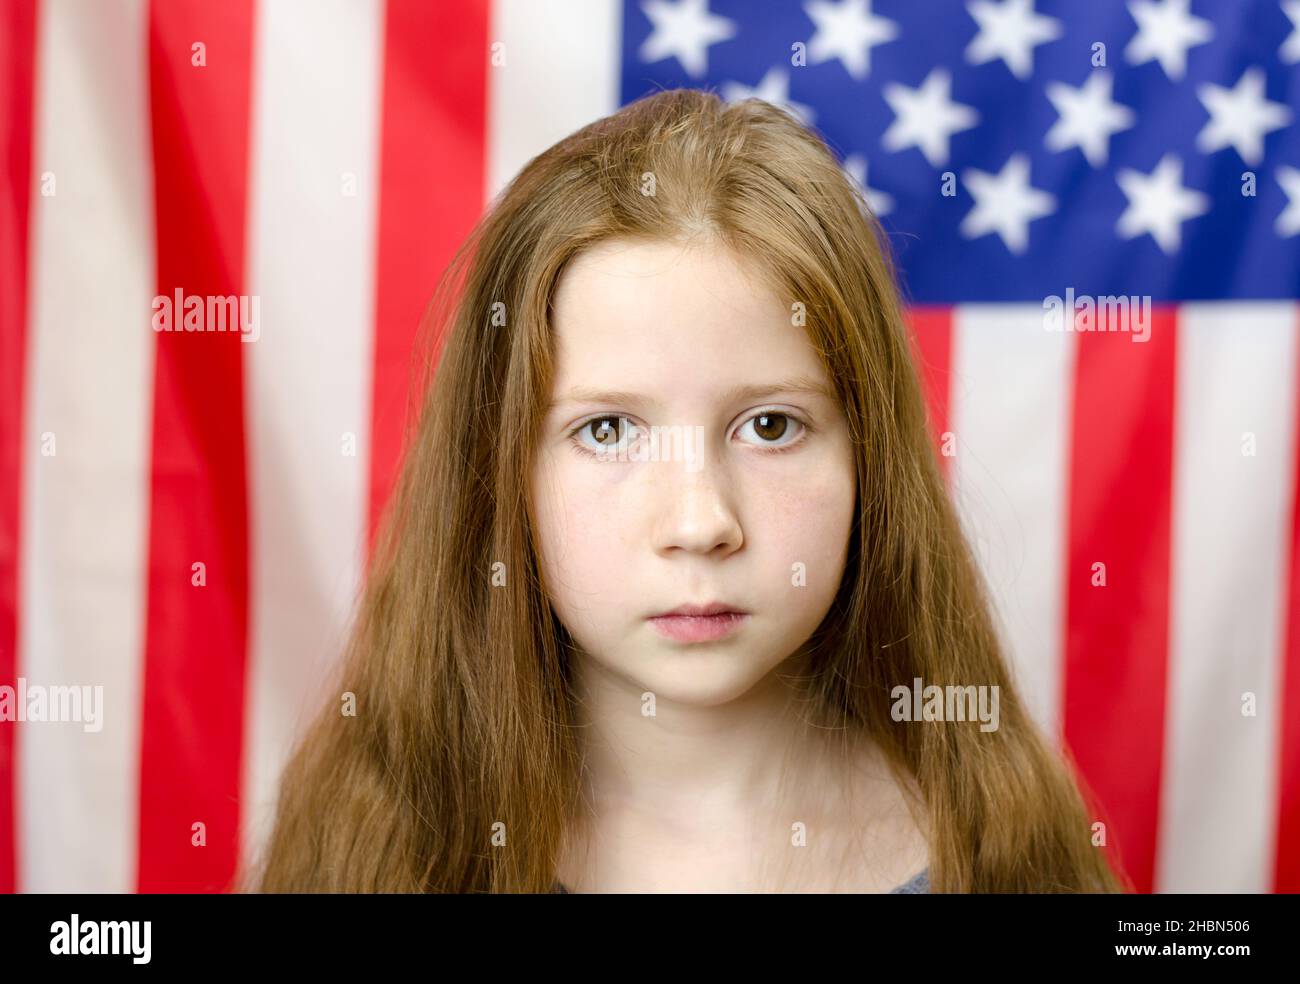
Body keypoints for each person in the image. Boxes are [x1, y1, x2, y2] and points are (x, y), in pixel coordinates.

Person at [243, 88, 1125, 894]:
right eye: (609, 431)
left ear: (871, 461)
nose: (701, 523)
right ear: (501, 473)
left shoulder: (995, 853)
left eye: (771, 427)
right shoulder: (382, 856)